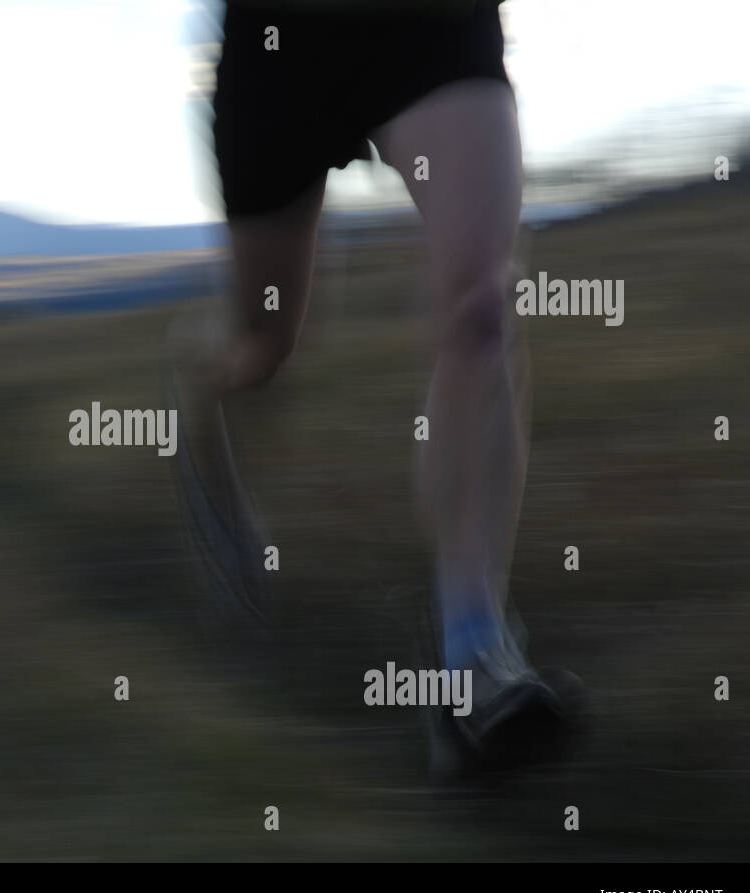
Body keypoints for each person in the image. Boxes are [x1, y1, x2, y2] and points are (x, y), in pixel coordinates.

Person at [169, 0, 582, 781]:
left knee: (483, 308)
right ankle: (202, 384)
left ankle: (471, 654)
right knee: (264, 347)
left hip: (430, 26)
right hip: (280, 43)